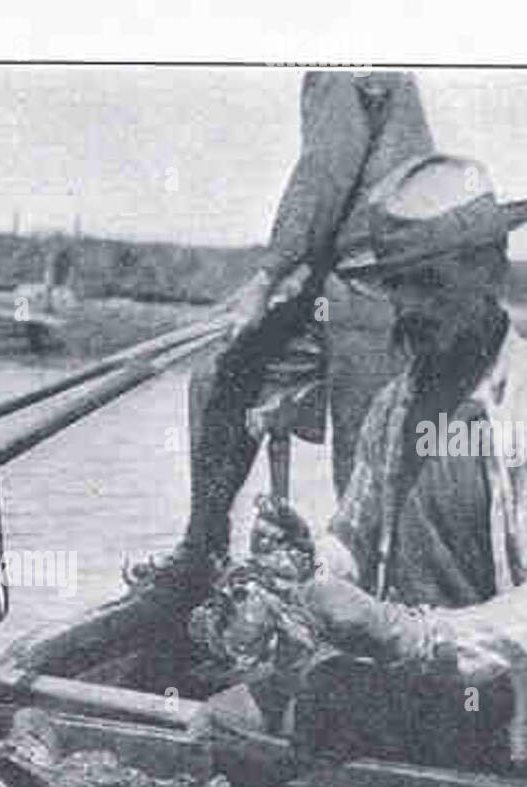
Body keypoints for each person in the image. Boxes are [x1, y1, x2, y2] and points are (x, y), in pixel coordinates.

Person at [247, 154, 527, 782]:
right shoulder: (395, 404)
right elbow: (354, 534)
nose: (409, 305)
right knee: (224, 725)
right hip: (416, 703)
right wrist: (309, 562)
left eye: (429, 282)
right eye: (396, 284)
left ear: (491, 267)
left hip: (521, 736)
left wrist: (409, 635)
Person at [131, 71, 434, 598]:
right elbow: (338, 187)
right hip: (338, 276)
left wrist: (269, 274)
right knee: (220, 379)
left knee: (364, 450)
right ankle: (202, 552)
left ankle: (376, 601)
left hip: (386, 279)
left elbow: (324, 174)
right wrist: (285, 280)